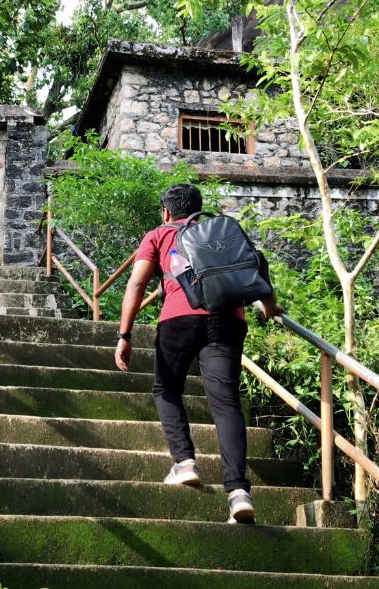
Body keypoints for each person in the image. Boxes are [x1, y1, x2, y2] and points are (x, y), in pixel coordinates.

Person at [114, 183, 284, 524]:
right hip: (227, 320)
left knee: (167, 388)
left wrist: (124, 335)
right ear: (198, 208)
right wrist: (269, 304)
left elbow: (137, 283)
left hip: (178, 319)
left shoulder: (159, 235)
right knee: (226, 404)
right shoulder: (221, 232)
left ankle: (184, 462)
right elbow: (256, 264)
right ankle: (238, 493)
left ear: (166, 212)